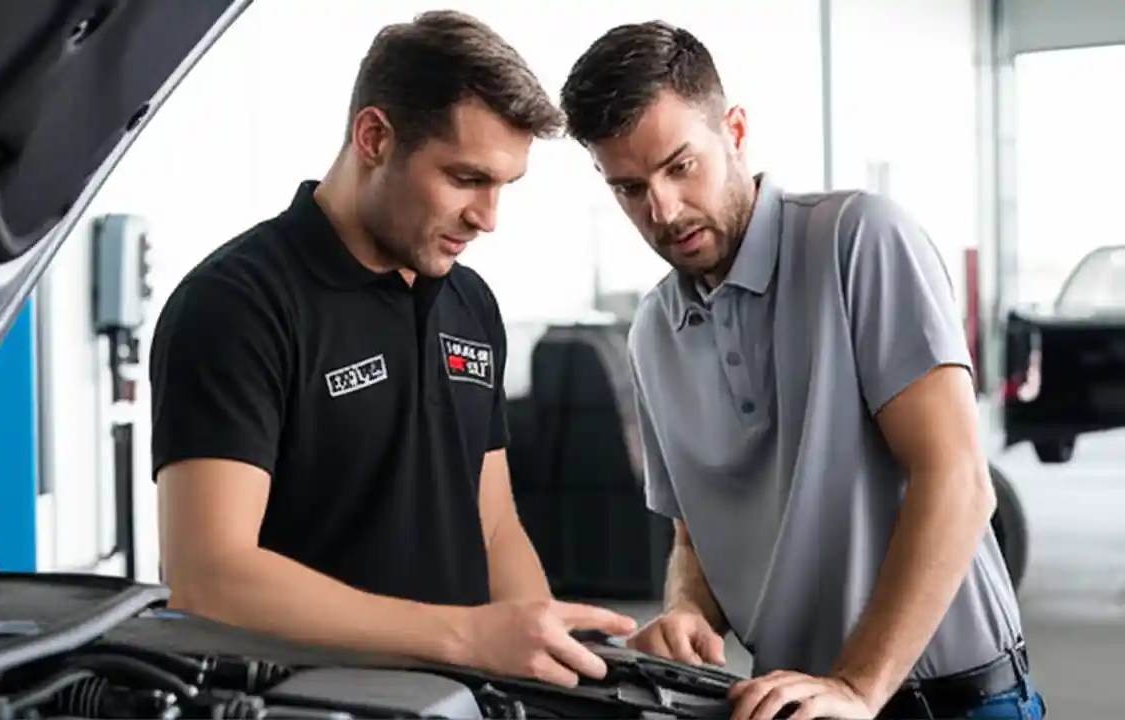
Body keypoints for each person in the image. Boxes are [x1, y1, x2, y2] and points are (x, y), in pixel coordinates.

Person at [559, 21, 1045, 720]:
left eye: (679, 166)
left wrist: (858, 684)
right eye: (630, 188)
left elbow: (960, 481)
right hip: (792, 705)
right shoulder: (651, 335)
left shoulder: (859, 241)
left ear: (734, 131)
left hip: (954, 701)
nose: (661, 210)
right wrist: (688, 607)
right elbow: (696, 534)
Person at [148, 10, 636, 689]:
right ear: (374, 137)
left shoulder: (471, 304)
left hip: (460, 701)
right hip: (303, 704)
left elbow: (493, 526)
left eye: (503, 187)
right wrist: (466, 637)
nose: (488, 218)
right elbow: (208, 576)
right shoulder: (237, 305)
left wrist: (549, 658)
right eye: (466, 178)